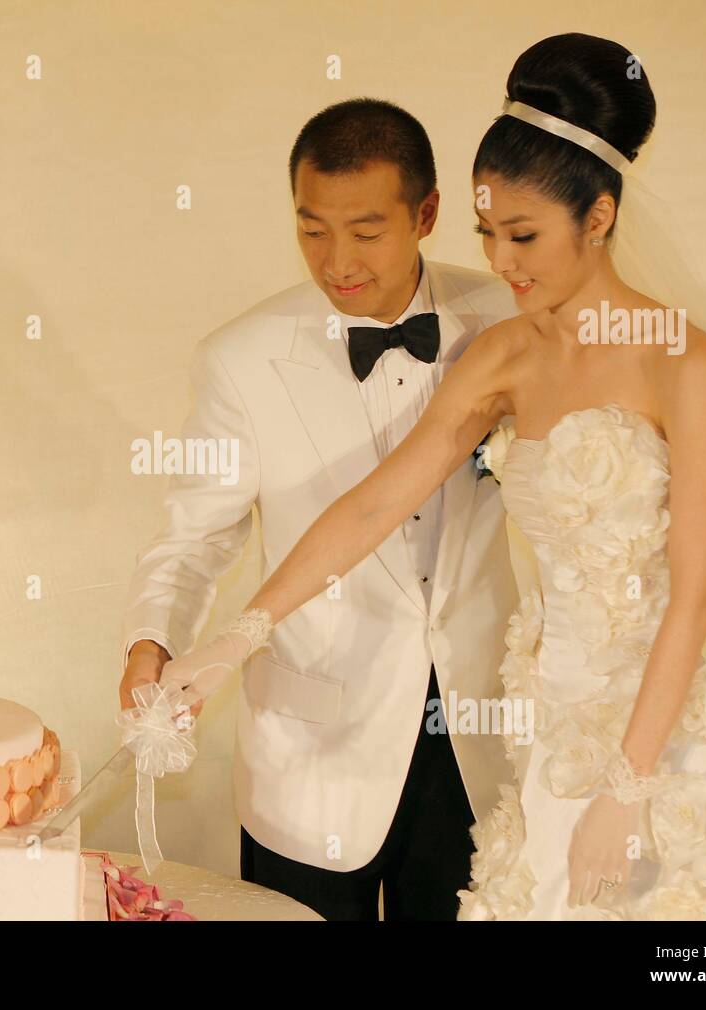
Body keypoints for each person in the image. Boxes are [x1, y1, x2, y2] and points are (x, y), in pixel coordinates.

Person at [152, 32, 706, 919]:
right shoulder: (504, 353)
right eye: (486, 232)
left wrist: (628, 790)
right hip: (551, 729)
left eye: (524, 235)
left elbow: (695, 597)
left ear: (598, 218)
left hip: (670, 726)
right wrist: (235, 638)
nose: (501, 262)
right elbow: (371, 507)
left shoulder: (684, 359)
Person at [119, 98, 520, 920]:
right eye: (311, 229)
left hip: (477, 735)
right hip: (312, 749)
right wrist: (149, 642)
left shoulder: (508, 323)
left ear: (428, 215)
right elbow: (195, 535)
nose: (336, 260)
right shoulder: (240, 359)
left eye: (366, 232)